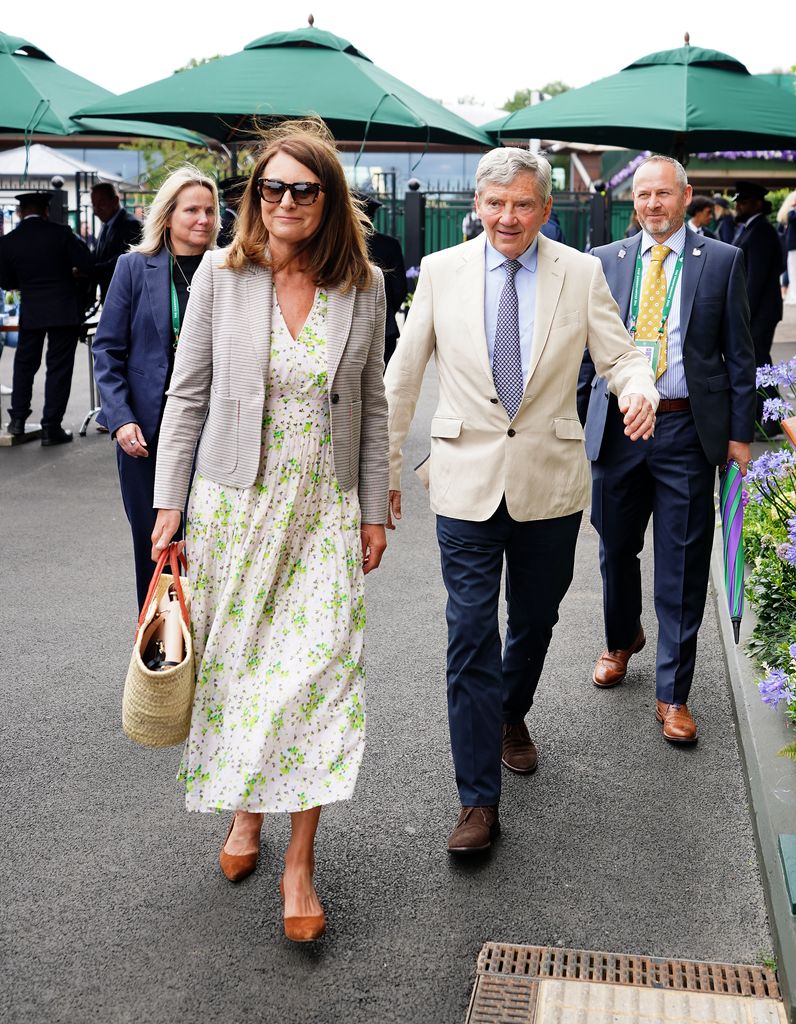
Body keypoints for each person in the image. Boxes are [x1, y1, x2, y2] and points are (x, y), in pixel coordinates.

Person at [149, 119, 389, 941]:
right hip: (236, 508)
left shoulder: (364, 285)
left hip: (322, 509)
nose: (284, 202)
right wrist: (168, 506)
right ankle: (248, 810)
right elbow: (187, 395)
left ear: (328, 197)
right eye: (270, 188)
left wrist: (372, 507)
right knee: (247, 674)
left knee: (318, 675)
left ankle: (300, 866)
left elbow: (373, 403)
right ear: (255, 197)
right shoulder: (224, 274)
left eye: (303, 189)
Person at [384, 147, 657, 855]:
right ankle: (477, 801)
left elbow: (620, 355)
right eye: (496, 204)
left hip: (550, 482)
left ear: (544, 207)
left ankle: (511, 712)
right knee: (470, 631)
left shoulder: (582, 272)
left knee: (533, 622)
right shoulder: (442, 274)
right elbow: (401, 379)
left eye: (523, 205)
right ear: (478, 205)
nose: (508, 218)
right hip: (463, 482)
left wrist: (639, 388)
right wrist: (381, 476)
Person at [580, 155, 756, 745]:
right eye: (643, 195)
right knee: (616, 548)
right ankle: (620, 636)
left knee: (681, 567)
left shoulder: (722, 263)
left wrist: (738, 436)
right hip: (619, 428)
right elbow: (587, 353)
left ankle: (673, 694)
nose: (652, 204)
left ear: (686, 197)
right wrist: (584, 417)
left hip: (684, 430)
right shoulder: (605, 261)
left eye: (663, 194)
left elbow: (740, 354)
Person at [92, 168, 219, 611]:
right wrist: (120, 418)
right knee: (155, 546)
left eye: (209, 210)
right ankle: (159, 653)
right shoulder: (132, 267)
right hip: (145, 434)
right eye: (191, 210)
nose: (202, 219)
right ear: (168, 216)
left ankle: (210, 646)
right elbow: (106, 352)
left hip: (212, 433)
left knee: (209, 545)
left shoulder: (231, 272)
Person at [0, 191, 93, 445]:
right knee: (58, 369)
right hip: (63, 310)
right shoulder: (62, 234)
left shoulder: (9, 241)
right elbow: (87, 263)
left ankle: (17, 420)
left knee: (24, 365)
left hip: (31, 310)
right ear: (46, 211)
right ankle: (51, 427)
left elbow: (6, 281)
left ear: (20, 212)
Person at [731, 181, 784, 438]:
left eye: (742, 201)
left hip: (760, 311)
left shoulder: (761, 230)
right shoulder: (753, 228)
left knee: (758, 363)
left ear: (755, 204)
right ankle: (766, 417)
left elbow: (756, 277)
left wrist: (743, 311)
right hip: (760, 309)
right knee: (756, 362)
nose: (738, 206)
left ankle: (772, 418)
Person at [355, 192, 407, 366]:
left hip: (346, 329)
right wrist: (388, 311)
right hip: (385, 327)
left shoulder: (338, 243)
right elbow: (399, 288)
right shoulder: (390, 245)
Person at [91, 183, 143, 302]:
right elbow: (98, 255)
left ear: (115, 201)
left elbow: (124, 260)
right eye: (94, 205)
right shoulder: (107, 225)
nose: (96, 210)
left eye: (101, 203)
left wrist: (91, 270)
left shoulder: (131, 225)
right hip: (110, 295)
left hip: (124, 298)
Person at [216, 175, 248, 248]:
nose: (243, 199)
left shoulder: (243, 219)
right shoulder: (225, 223)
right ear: (228, 198)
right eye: (240, 194)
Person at [776, 189, 796, 306]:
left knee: (793, 271)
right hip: (791, 246)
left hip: (793, 246)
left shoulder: (792, 213)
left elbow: (791, 217)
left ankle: (794, 295)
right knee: (792, 271)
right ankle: (793, 294)